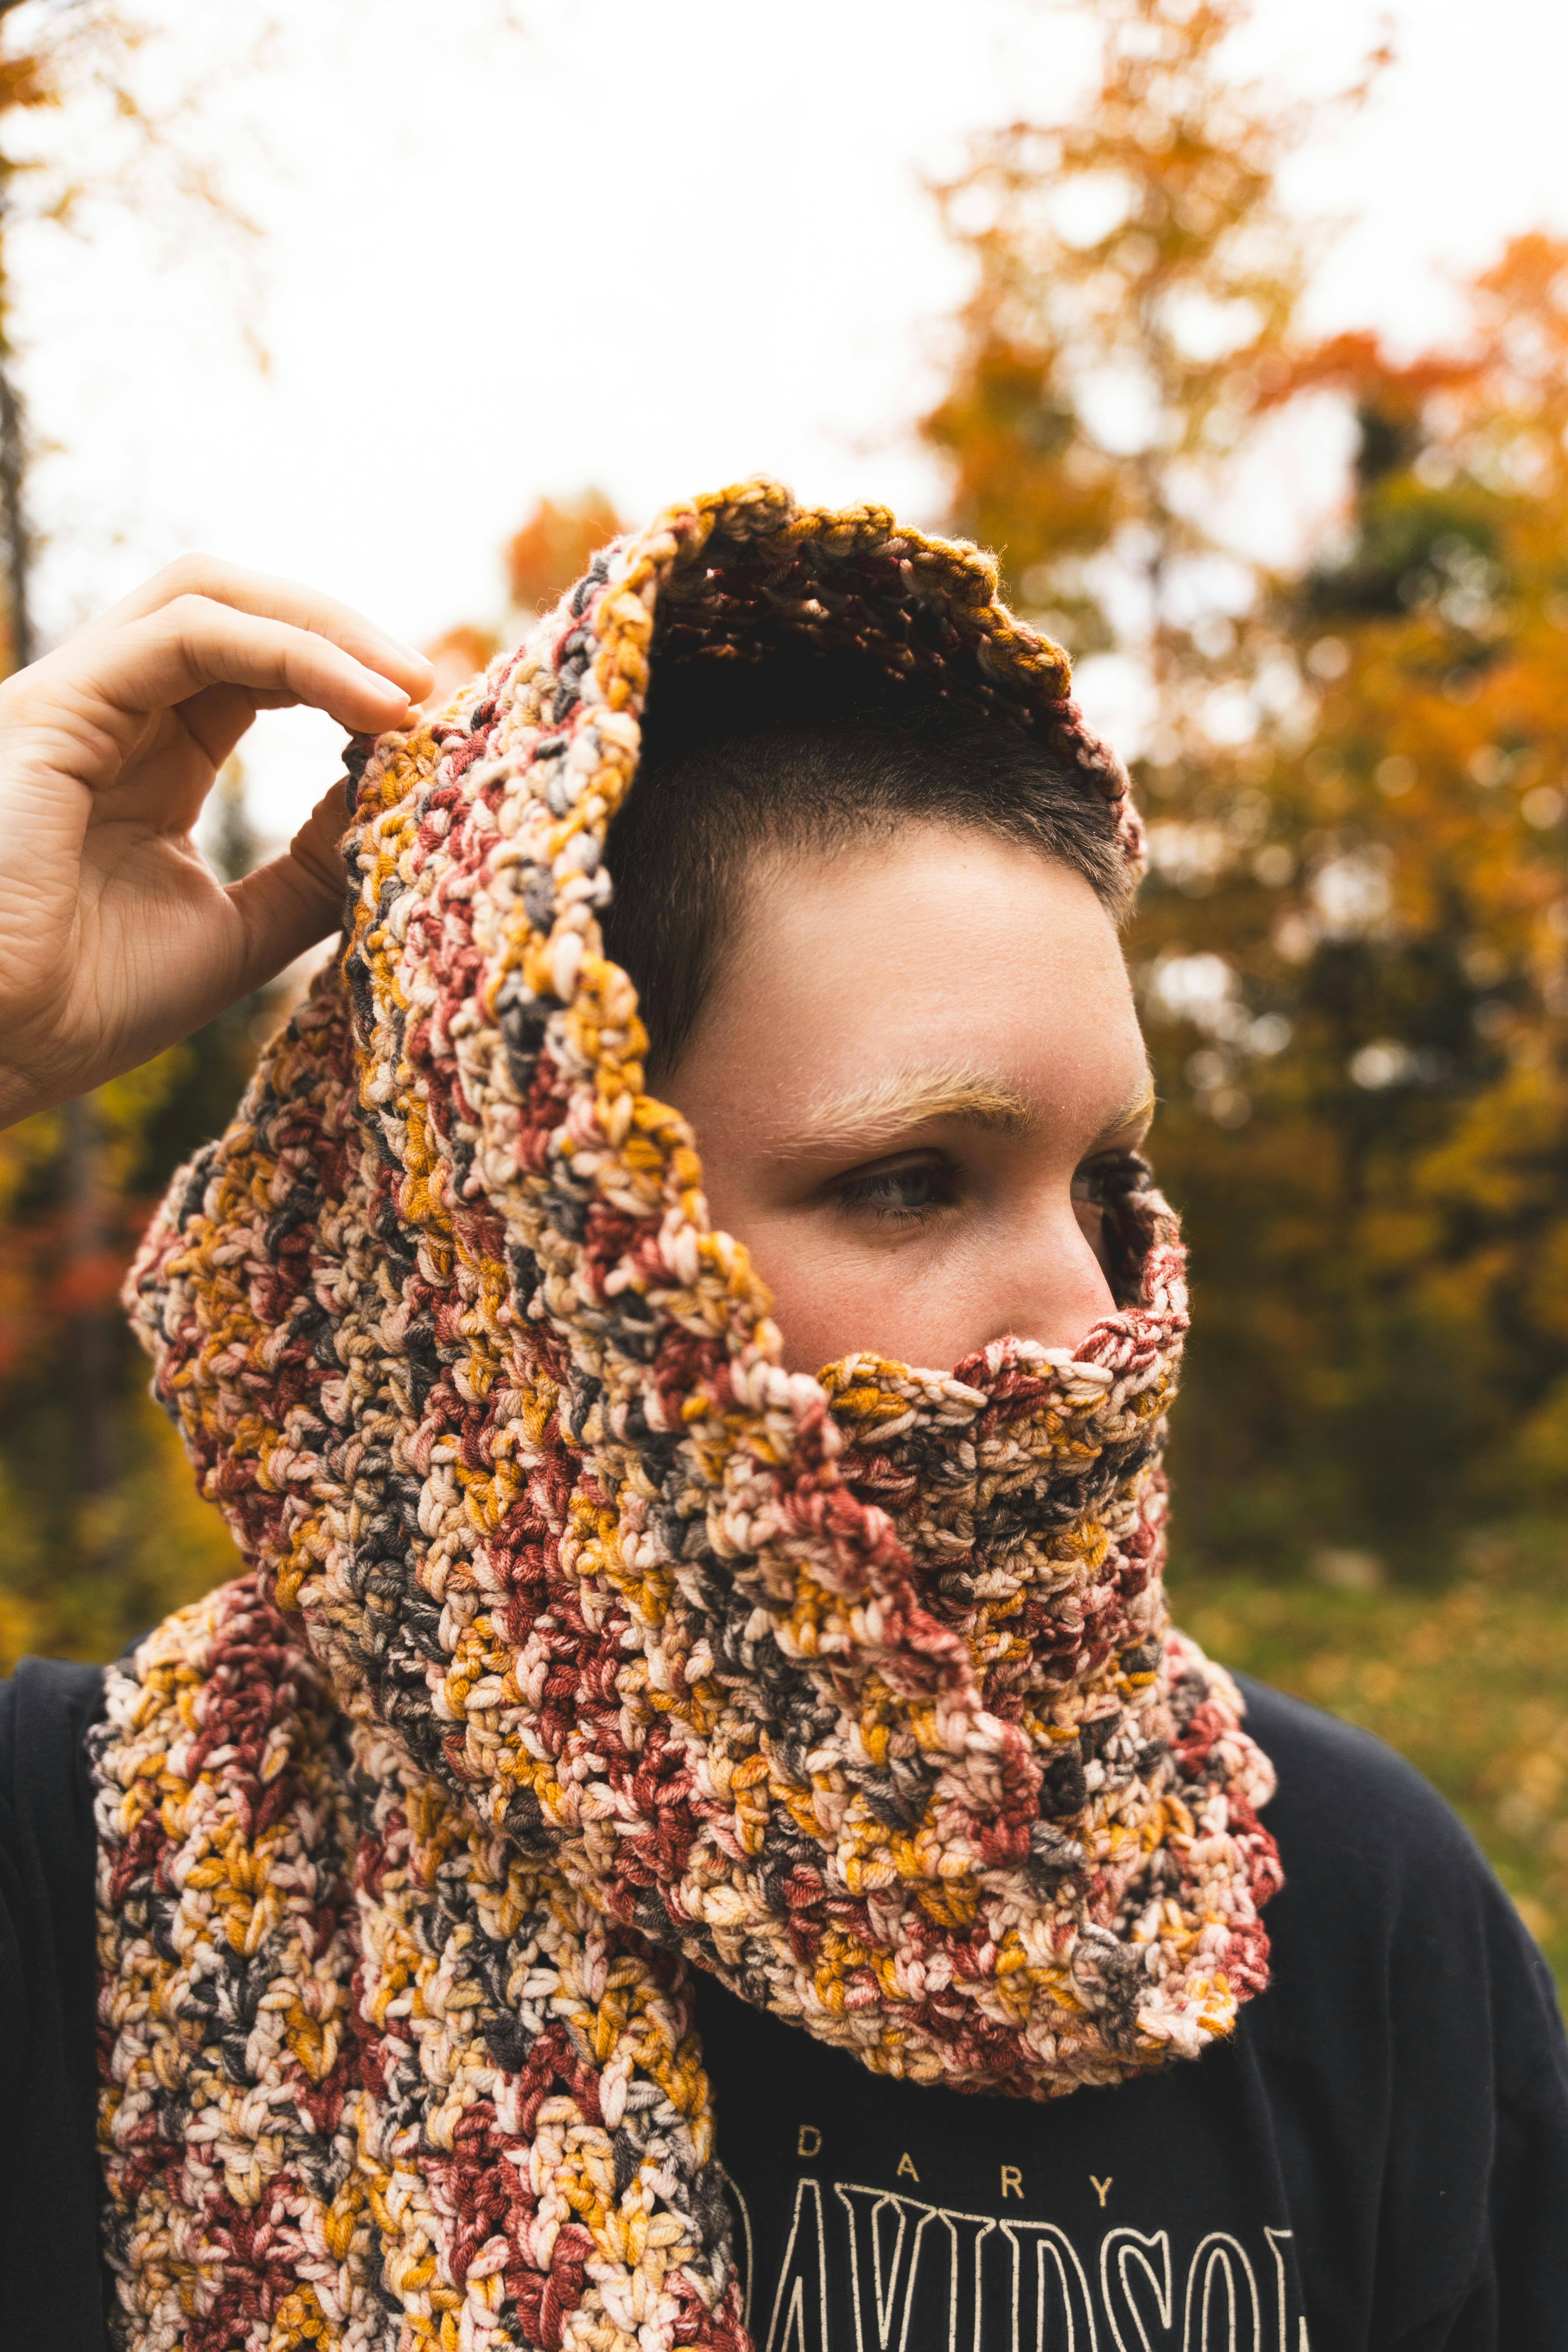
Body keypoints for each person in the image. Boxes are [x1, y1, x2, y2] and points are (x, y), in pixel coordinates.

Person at [0, 481, 1563, 2352]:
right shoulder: (81, 1885)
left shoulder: (1343, 1906)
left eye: (1108, 1181)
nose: (1092, 1308)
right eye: (912, 1179)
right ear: (549, 1248)